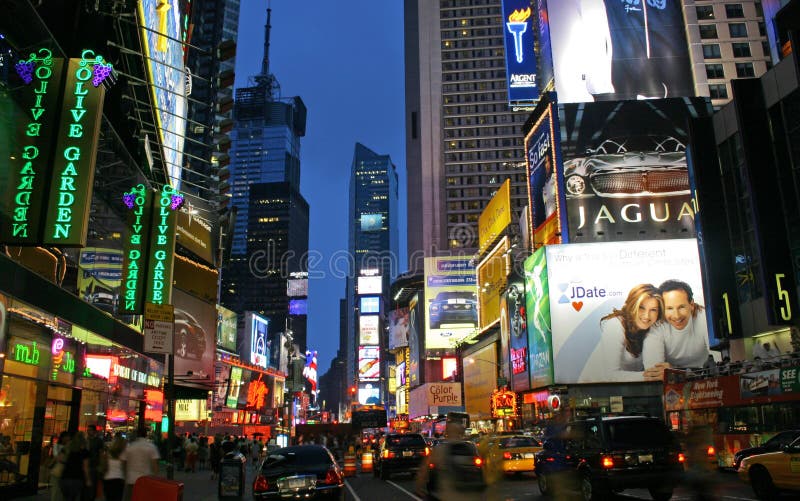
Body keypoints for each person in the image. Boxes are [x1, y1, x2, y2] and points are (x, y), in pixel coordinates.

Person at [580, 284, 669, 382]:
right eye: (641, 307)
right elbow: (610, 375)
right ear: (632, 306)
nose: (647, 316)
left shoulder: (654, 328)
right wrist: (650, 377)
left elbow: (655, 369)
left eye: (653, 310)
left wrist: (660, 373)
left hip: (626, 386)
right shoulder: (615, 325)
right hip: (591, 386)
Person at [643, 280, 709, 370]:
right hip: (677, 378)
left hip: (704, 374)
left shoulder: (704, 317)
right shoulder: (656, 326)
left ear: (691, 305)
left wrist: (674, 371)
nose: (676, 316)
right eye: (669, 308)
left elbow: (719, 363)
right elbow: (653, 371)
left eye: (681, 307)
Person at [119, 429, 159, 501]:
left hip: (131, 480)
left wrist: (125, 474)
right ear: (146, 435)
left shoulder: (130, 446)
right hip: (146, 480)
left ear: (136, 435)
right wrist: (155, 478)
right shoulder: (151, 447)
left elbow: (122, 461)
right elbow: (155, 465)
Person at [59, 432, 90, 501]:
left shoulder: (68, 448)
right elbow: (85, 467)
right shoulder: (84, 452)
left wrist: (67, 463)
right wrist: (88, 479)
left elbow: (60, 458)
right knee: (75, 497)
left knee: (66, 498)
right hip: (77, 478)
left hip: (65, 477)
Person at [102, 435, 126, 501]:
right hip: (119, 479)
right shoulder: (124, 455)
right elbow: (124, 468)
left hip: (108, 479)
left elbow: (104, 467)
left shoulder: (107, 454)